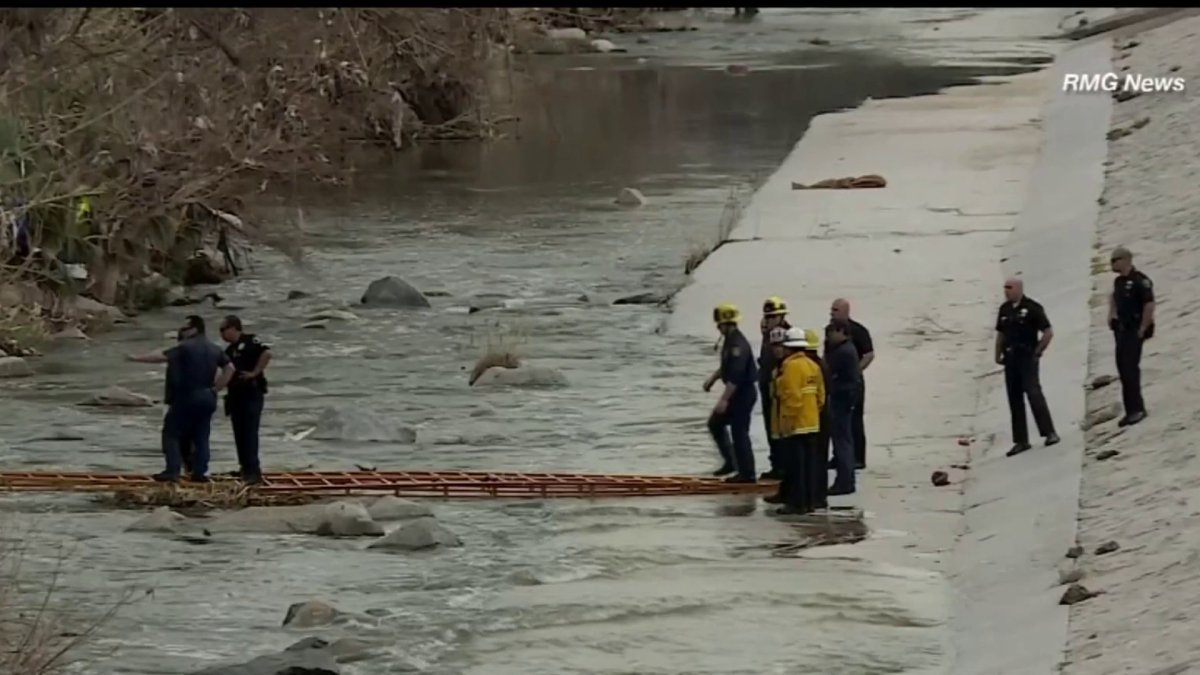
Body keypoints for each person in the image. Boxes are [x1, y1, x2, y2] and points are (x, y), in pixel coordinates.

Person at [128, 315, 234, 482]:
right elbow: (230, 368)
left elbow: (161, 356)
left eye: (184, 328)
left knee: (171, 433)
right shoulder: (215, 348)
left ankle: (172, 471)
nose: (181, 331)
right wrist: (216, 388)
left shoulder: (185, 347)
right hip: (208, 396)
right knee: (201, 435)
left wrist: (135, 358)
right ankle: (200, 473)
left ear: (194, 329)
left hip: (188, 395)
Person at [994, 277, 1061, 457]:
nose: (1006, 291)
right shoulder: (1004, 309)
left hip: (1027, 357)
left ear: (1019, 289)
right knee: (1014, 399)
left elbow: (1048, 332)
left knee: (1034, 393)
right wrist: (997, 353)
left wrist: (1038, 351)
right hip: (1010, 358)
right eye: (1005, 288)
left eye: (1010, 288)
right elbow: (1001, 333)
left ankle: (1049, 432)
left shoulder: (1032, 308)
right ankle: (1021, 440)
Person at [768, 326, 825, 515]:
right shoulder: (812, 365)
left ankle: (796, 504)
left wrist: (787, 422)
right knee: (809, 466)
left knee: (796, 467)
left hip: (796, 425)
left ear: (788, 347)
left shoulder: (790, 367)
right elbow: (820, 396)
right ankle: (809, 503)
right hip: (812, 423)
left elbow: (792, 397)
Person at [703, 303, 758, 483]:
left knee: (739, 432)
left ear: (728, 324)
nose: (718, 328)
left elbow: (736, 376)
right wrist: (713, 378)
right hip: (735, 391)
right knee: (715, 424)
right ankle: (731, 462)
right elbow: (726, 367)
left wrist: (724, 400)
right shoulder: (729, 340)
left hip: (742, 393)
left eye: (720, 324)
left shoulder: (737, 345)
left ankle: (747, 474)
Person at [219, 315, 272, 484]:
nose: (221, 334)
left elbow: (266, 353)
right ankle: (245, 467)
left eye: (223, 329)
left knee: (249, 432)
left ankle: (253, 472)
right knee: (239, 433)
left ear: (234, 328)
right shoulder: (229, 350)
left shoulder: (250, 341)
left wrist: (254, 372)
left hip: (251, 393)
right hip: (235, 395)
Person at [1108, 246, 1154, 426]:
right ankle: (1130, 410)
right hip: (1121, 330)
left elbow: (1149, 305)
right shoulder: (1118, 282)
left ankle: (1138, 409)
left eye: (1115, 260)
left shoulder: (1140, 281)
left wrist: (1143, 328)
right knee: (1122, 369)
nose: (1112, 264)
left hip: (1135, 328)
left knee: (1130, 368)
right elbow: (1113, 298)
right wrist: (1111, 315)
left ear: (1126, 259)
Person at [829, 298, 874, 469]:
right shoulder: (830, 331)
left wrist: (855, 371)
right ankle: (838, 456)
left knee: (854, 420)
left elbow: (869, 355)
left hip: (853, 381)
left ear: (846, 311)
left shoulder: (858, 331)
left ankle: (858, 457)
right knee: (837, 422)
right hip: (835, 381)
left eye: (836, 310)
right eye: (832, 310)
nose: (832, 313)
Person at [824, 319, 861, 495]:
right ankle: (846, 479)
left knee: (842, 441)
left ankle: (844, 481)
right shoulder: (848, 349)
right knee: (844, 440)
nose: (829, 337)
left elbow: (828, 372)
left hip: (841, 398)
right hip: (847, 397)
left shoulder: (842, 352)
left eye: (831, 333)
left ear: (841, 332)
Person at [757, 296, 791, 481]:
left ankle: (782, 466)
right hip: (766, 387)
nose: (768, 321)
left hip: (778, 390)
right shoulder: (768, 336)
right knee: (771, 429)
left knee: (779, 430)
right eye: (766, 317)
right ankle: (776, 464)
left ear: (781, 317)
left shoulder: (786, 336)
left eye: (772, 317)